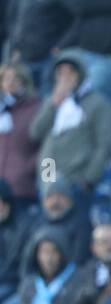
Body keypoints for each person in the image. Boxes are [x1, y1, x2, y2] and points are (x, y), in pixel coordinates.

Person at [29, 52, 111, 193]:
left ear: (80, 74)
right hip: (48, 171)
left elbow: (105, 144)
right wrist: (53, 105)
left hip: (77, 174)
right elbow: (35, 132)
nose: (65, 78)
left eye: (70, 73)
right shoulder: (52, 101)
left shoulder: (98, 103)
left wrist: (89, 178)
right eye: (61, 73)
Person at [0, 63, 42, 206]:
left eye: (15, 78)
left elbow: (50, 150)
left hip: (23, 189)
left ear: (25, 81)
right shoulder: (2, 109)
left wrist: (48, 183)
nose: (10, 83)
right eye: (6, 79)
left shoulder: (37, 108)